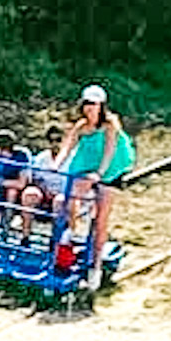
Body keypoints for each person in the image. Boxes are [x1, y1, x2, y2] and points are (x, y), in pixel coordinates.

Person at [57, 84, 135, 290]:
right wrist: (56, 164)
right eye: (87, 104)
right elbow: (67, 146)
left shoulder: (110, 125)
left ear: (101, 106)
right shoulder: (81, 126)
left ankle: (96, 267)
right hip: (89, 165)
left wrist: (99, 175)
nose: (89, 108)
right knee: (70, 196)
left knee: (100, 219)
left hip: (110, 171)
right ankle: (72, 232)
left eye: (93, 104)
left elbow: (109, 151)